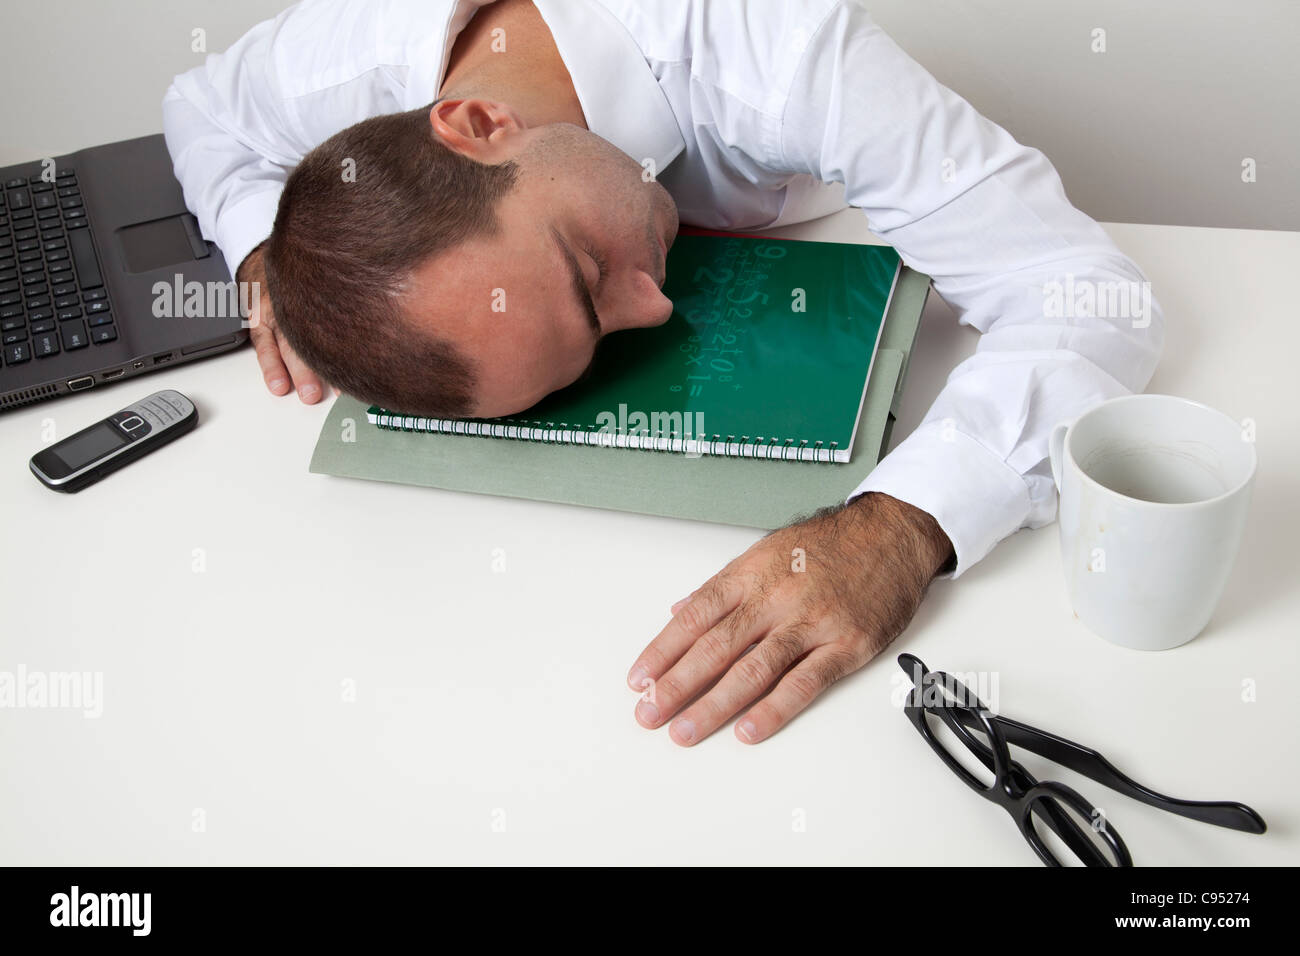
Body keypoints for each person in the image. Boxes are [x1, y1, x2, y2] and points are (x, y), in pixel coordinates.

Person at [164, 0, 1163, 746]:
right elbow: (200, 108)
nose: (653, 306)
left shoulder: (772, 49)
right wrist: (270, 260)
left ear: (477, 125)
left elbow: (1081, 290)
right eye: (601, 339)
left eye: (584, 271)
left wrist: (904, 522)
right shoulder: (320, 66)